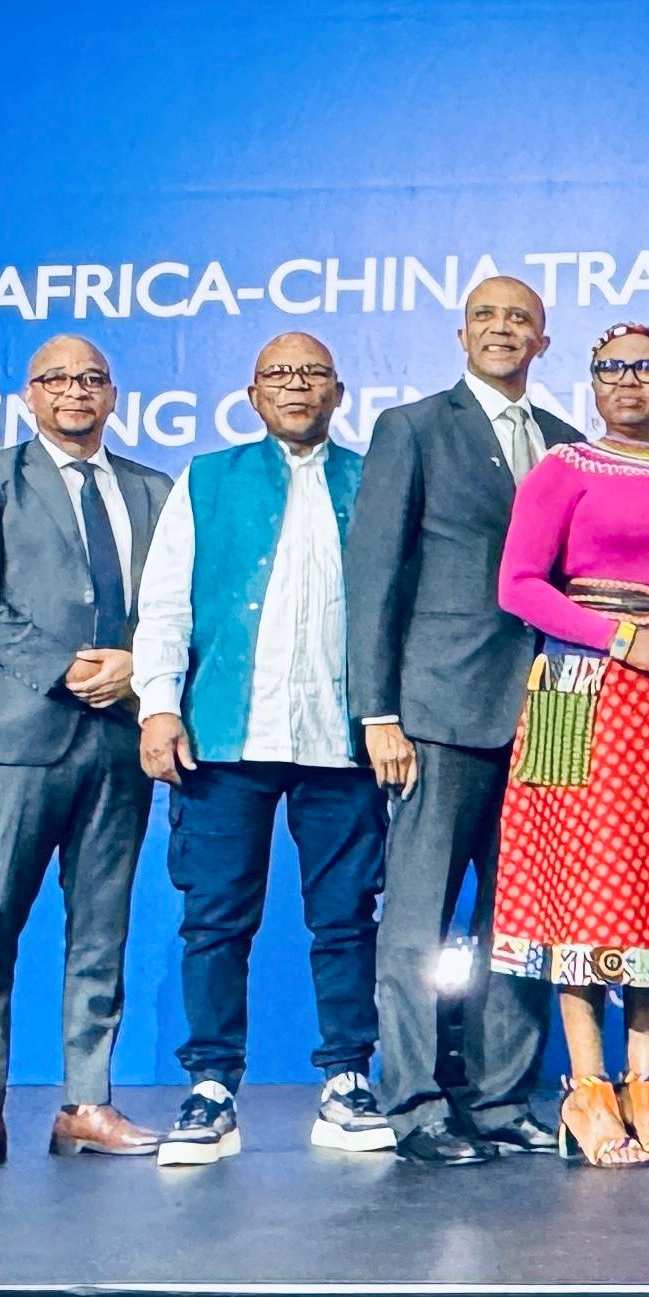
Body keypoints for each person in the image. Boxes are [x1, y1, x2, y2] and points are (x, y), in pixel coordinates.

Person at [487, 325, 649, 1169]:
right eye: (611, 368)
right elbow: (519, 586)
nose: (629, 380)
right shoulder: (563, 469)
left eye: (647, 368)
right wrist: (623, 638)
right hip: (575, 691)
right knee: (580, 885)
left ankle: (645, 1088)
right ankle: (586, 1092)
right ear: (591, 383)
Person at [133, 333, 387, 1168]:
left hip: (341, 739)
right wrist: (158, 706)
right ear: (252, 395)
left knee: (346, 919)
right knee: (213, 920)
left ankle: (347, 1080)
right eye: (279, 374)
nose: (296, 386)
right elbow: (164, 604)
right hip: (223, 737)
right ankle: (211, 1088)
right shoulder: (208, 479)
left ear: (338, 392)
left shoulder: (374, 480)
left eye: (313, 373)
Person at [353, 273, 580, 1166]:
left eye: (519, 318)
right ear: (461, 334)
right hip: (438, 706)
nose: (501, 328)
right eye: (485, 315)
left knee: (524, 919)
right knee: (417, 919)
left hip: (554, 710)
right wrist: (377, 710)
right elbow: (375, 577)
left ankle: (500, 1098)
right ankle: (415, 1106)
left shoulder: (567, 445)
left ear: (542, 341)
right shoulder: (412, 428)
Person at [0, 333, 173, 1168]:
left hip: (119, 734)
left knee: (102, 929)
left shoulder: (153, 488)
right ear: (28, 396)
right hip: (15, 733)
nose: (76, 390)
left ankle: (86, 1102)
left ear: (113, 394)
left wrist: (137, 664)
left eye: (92, 377)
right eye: (57, 378)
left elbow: (175, 605)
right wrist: (61, 667)